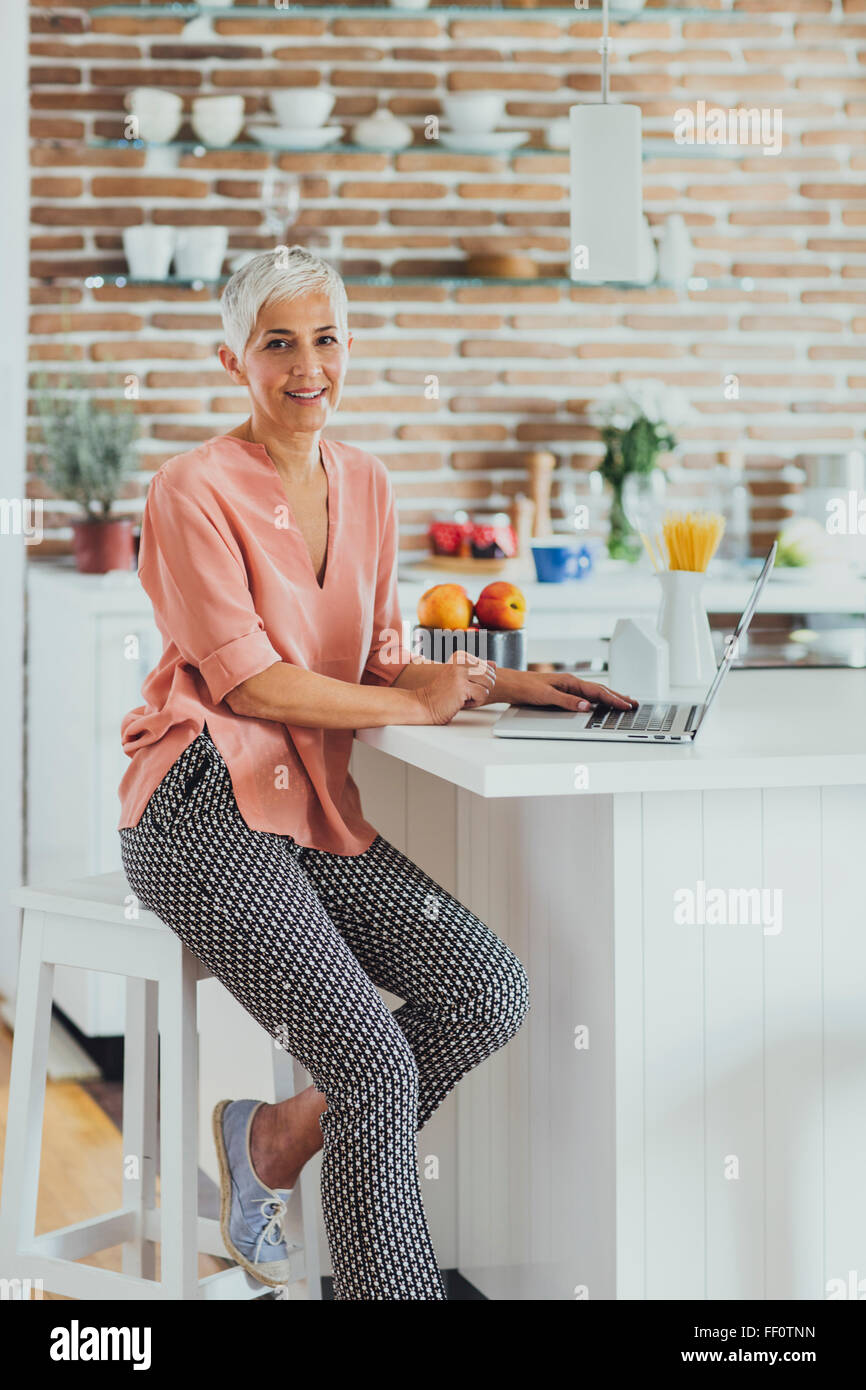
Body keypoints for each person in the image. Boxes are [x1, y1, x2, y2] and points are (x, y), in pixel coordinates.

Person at [117, 246, 636, 1301]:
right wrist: (409, 705)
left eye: (324, 338)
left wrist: (500, 678)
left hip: (306, 806)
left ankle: (267, 1140)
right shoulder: (189, 490)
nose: (307, 365)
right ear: (234, 360)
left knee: (482, 988)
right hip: (197, 811)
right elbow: (254, 686)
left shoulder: (367, 481)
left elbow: (373, 656)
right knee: (372, 1064)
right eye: (277, 343)